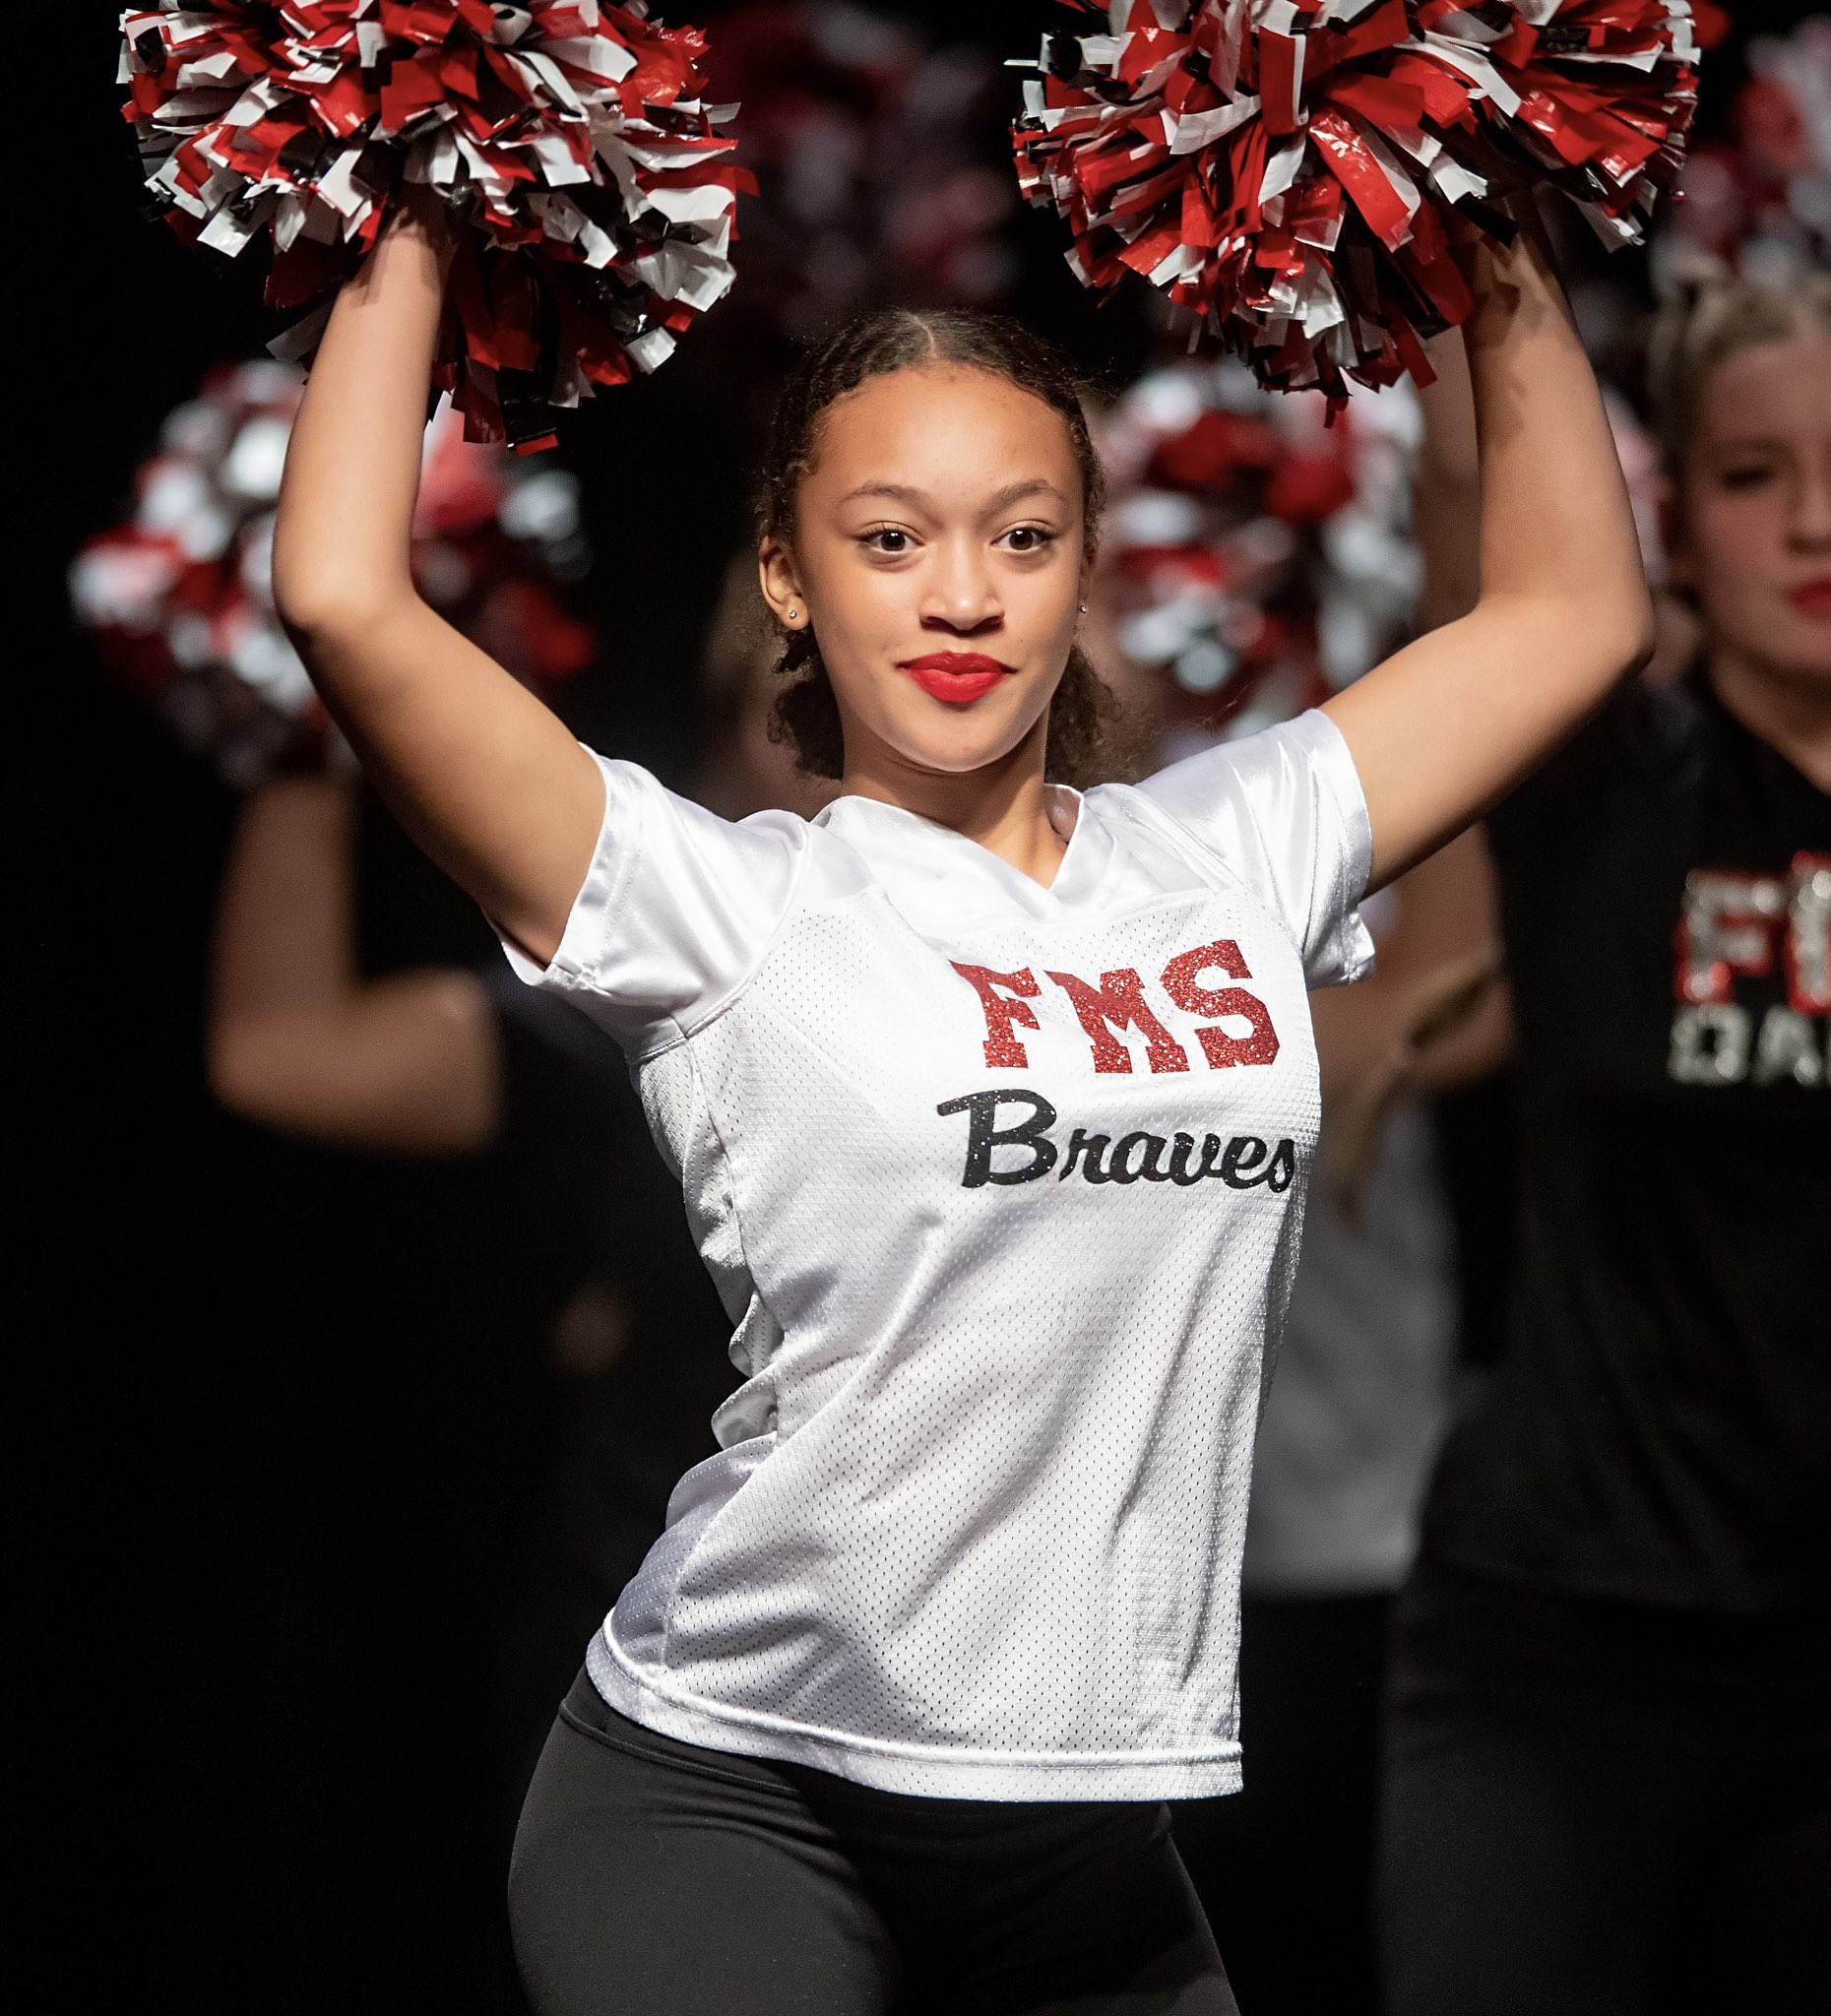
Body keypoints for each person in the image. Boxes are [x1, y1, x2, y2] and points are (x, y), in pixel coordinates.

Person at [269, 182, 1651, 2013]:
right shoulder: (716, 901)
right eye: (891, 536)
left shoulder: (1237, 847)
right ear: (789, 570)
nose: (963, 596)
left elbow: (1570, 610)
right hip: (729, 1791)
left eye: (1021, 534)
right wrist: (426, 201)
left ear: (1089, 566)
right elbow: (344, 600)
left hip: (1075, 1846)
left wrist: (1473, 192)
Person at [1379, 268, 1831, 2016]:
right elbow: (1472, 521)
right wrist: (1457, 225)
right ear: (1674, 520)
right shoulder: (1602, 769)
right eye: (1748, 475)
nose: (1812, 521)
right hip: (1563, 1643)